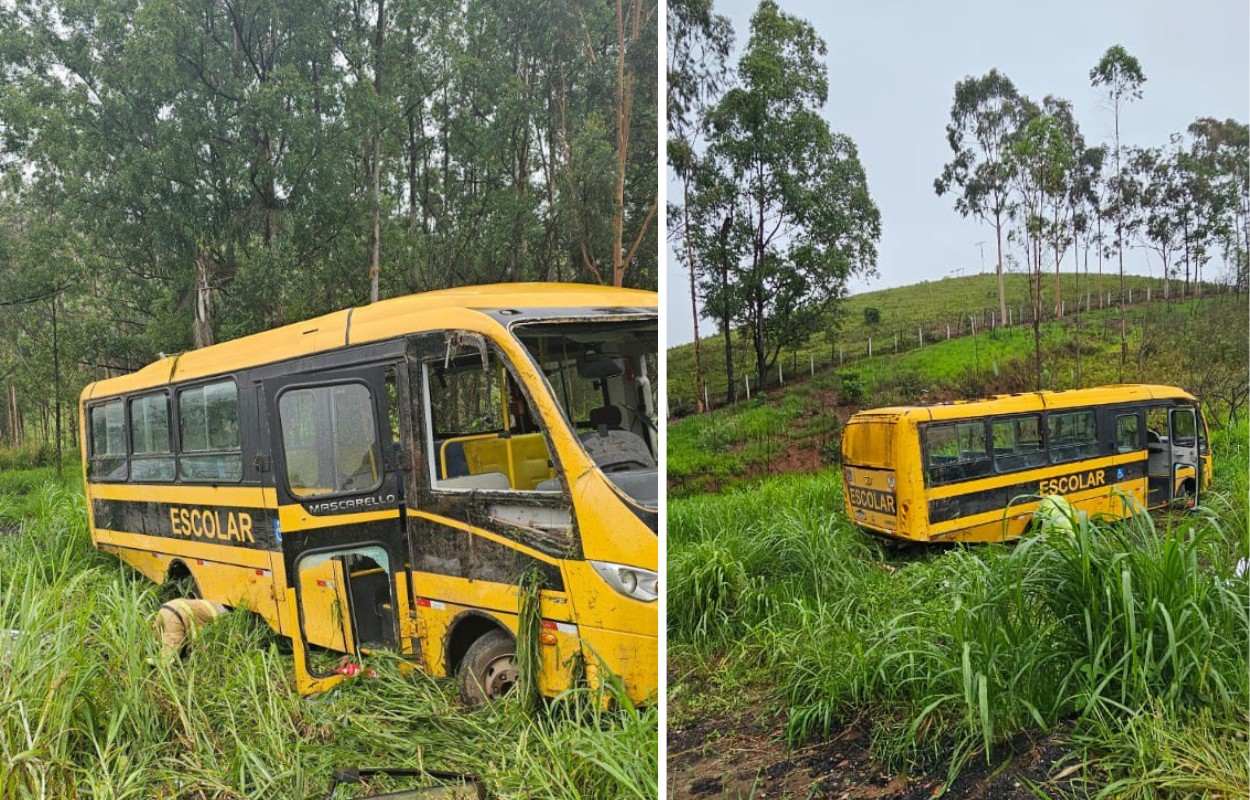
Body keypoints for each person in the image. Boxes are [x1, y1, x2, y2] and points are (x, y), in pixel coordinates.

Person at [153, 598, 228, 664]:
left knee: (159, 638)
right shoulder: (220, 617)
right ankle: (160, 670)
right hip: (177, 614)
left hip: (167, 608)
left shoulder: (209, 603)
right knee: (168, 655)